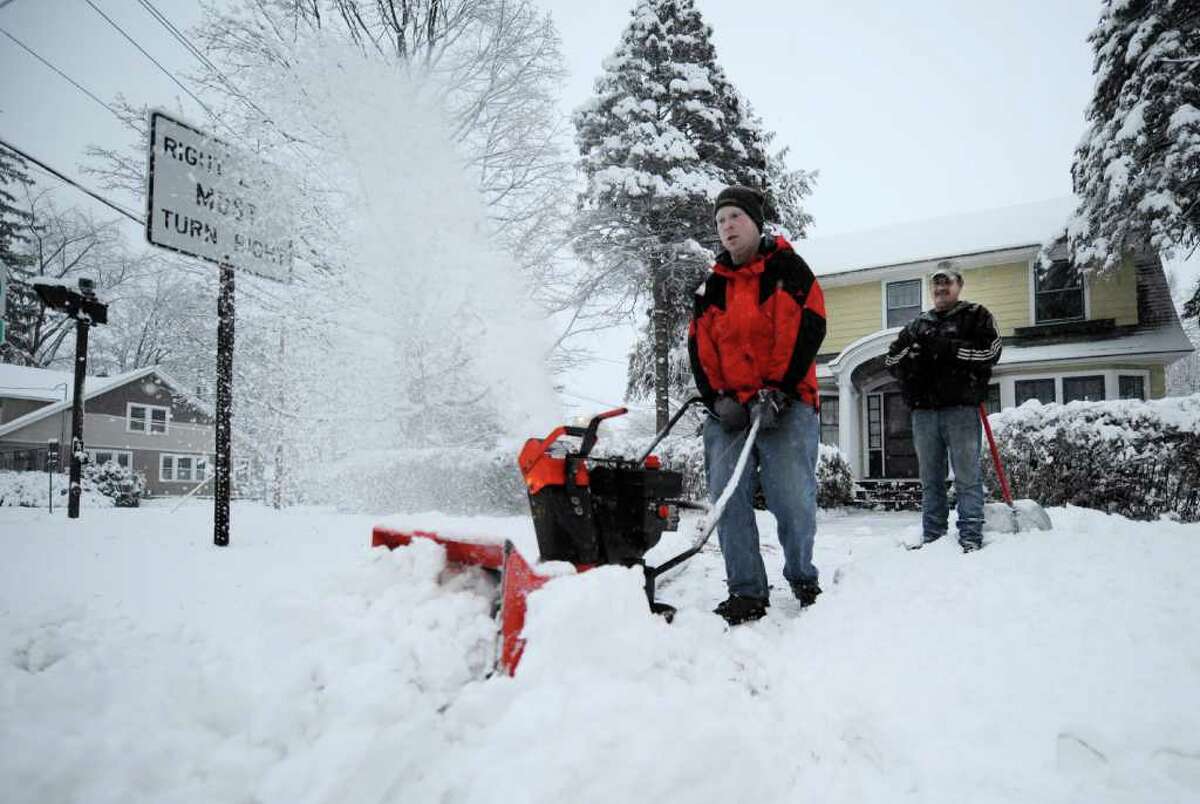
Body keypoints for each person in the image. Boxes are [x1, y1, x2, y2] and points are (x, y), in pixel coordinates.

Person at [688, 185, 827, 625]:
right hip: (731, 410)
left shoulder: (789, 268)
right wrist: (716, 400)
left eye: (735, 217)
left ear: (755, 221)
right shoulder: (711, 287)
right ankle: (747, 591)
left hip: (787, 405)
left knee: (791, 499)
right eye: (720, 220)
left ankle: (803, 577)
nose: (727, 226)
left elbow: (811, 327)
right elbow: (699, 348)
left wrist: (781, 389)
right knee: (727, 499)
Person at [884, 262, 1002, 552]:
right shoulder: (918, 325)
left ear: (959, 285)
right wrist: (911, 358)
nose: (940, 288)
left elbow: (992, 351)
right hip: (924, 412)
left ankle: (971, 534)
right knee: (930, 479)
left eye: (946, 282)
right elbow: (890, 361)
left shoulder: (976, 316)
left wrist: (948, 349)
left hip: (961, 410)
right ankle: (933, 534)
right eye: (936, 284)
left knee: (967, 476)